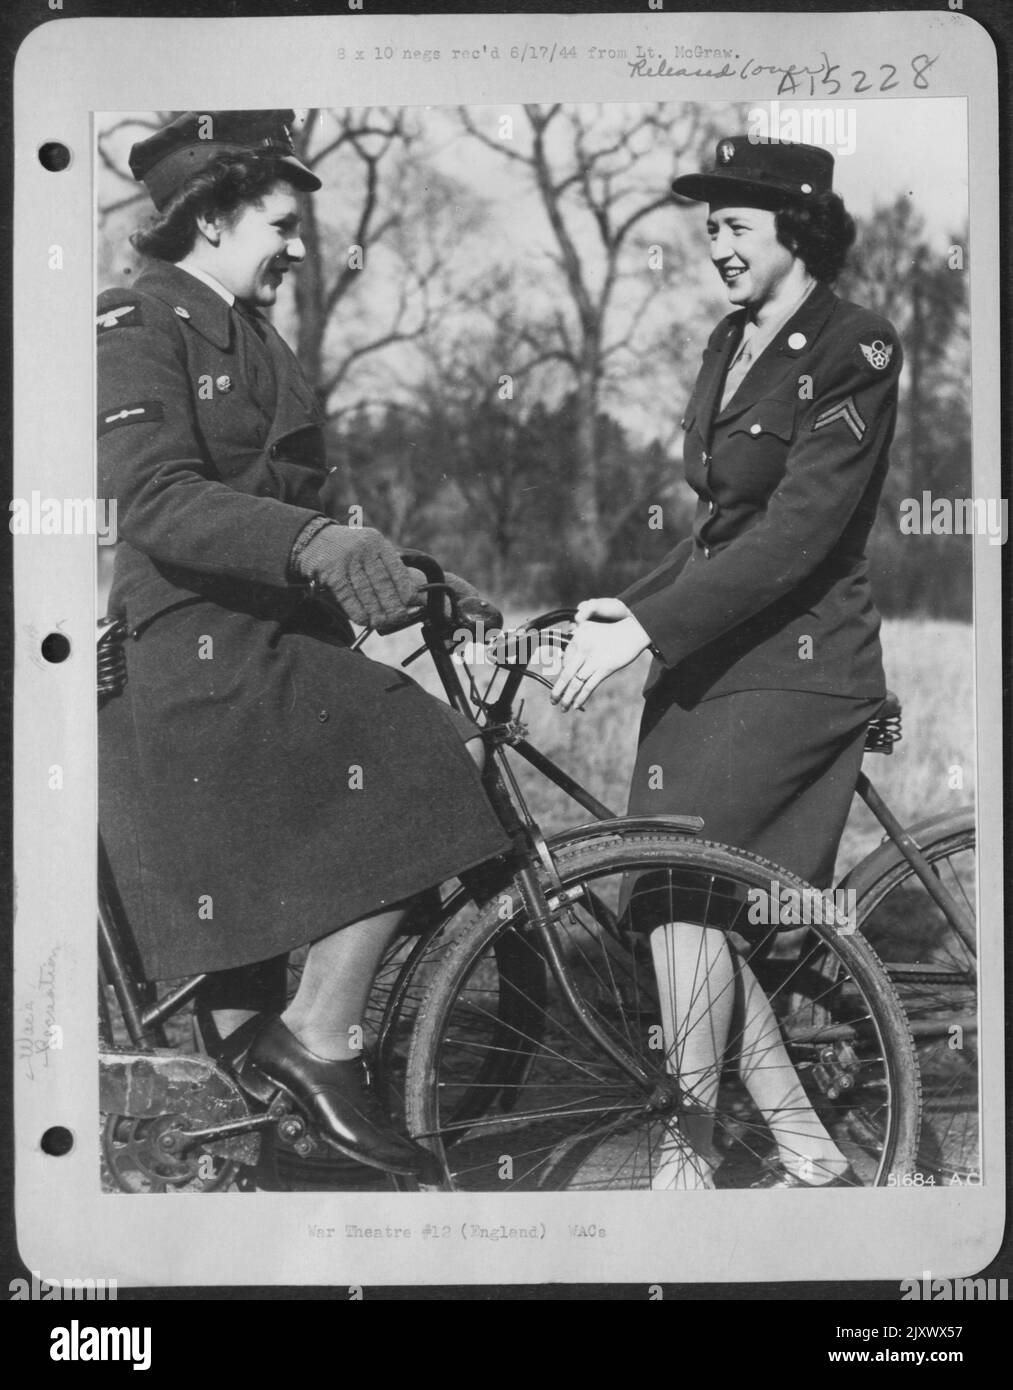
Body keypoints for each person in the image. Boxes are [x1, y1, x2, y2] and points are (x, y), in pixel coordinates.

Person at [97, 110, 512, 1182]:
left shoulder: (253, 334)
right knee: (437, 755)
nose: (294, 244)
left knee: (254, 972)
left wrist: (408, 569)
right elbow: (156, 498)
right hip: (200, 661)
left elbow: (291, 508)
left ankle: (273, 1137)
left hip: (259, 647)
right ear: (218, 212)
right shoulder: (138, 317)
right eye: (280, 222)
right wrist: (318, 543)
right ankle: (320, 1037)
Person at [551, 136, 903, 1188]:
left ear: (797, 230)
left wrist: (649, 634)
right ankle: (800, 1142)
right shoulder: (726, 338)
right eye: (706, 224)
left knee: (682, 890)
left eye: (735, 223)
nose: (714, 241)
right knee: (674, 895)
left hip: (799, 664)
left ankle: (685, 1148)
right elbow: (721, 528)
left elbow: (796, 536)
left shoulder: (857, 345)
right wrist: (633, 605)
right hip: (717, 656)